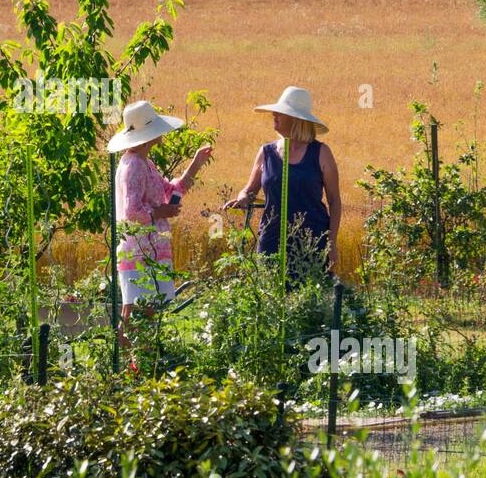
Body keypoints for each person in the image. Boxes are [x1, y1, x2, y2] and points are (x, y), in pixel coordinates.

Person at [107, 100, 213, 324]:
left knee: (147, 317)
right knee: (138, 316)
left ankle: (138, 359)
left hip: (151, 251)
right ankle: (131, 359)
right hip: (139, 253)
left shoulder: (146, 163)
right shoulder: (134, 165)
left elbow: (172, 191)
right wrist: (161, 212)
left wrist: (196, 163)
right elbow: (132, 212)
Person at [224, 86, 341, 274]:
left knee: (311, 298)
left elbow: (334, 201)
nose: (273, 114)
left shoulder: (321, 153)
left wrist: (332, 243)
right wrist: (243, 197)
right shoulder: (266, 153)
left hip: (312, 243)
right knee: (271, 297)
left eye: (280, 112)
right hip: (271, 242)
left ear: (295, 118)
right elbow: (249, 189)